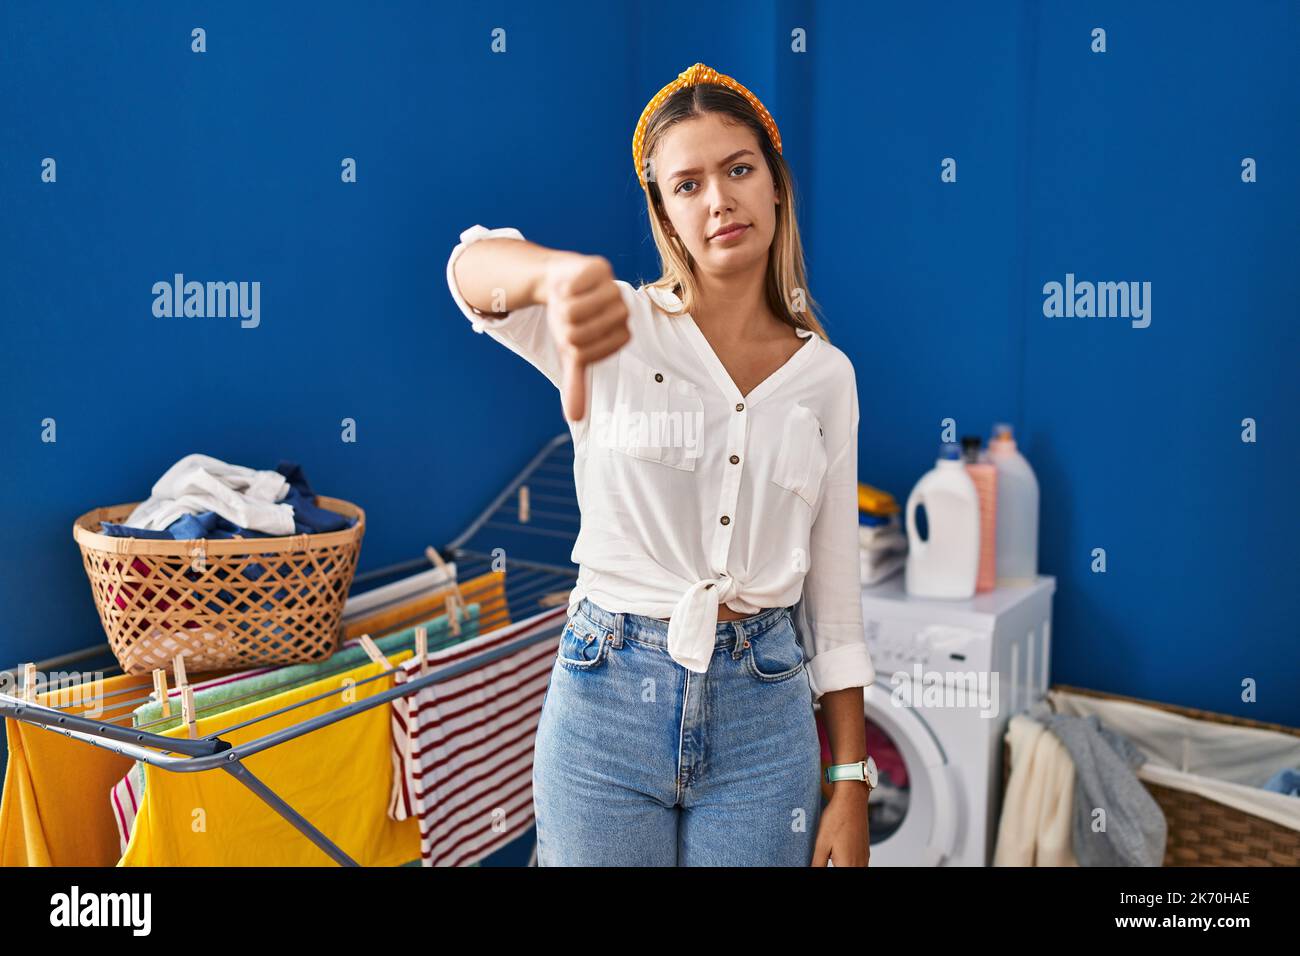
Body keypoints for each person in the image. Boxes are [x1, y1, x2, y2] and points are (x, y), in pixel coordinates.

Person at [446, 63, 877, 866]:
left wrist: (850, 780)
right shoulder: (613, 320)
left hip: (766, 711)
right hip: (605, 699)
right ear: (665, 215)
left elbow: (835, 593)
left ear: (777, 187)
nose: (719, 199)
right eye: (687, 184)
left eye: (739, 169)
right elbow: (471, 272)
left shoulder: (827, 378)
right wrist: (550, 274)